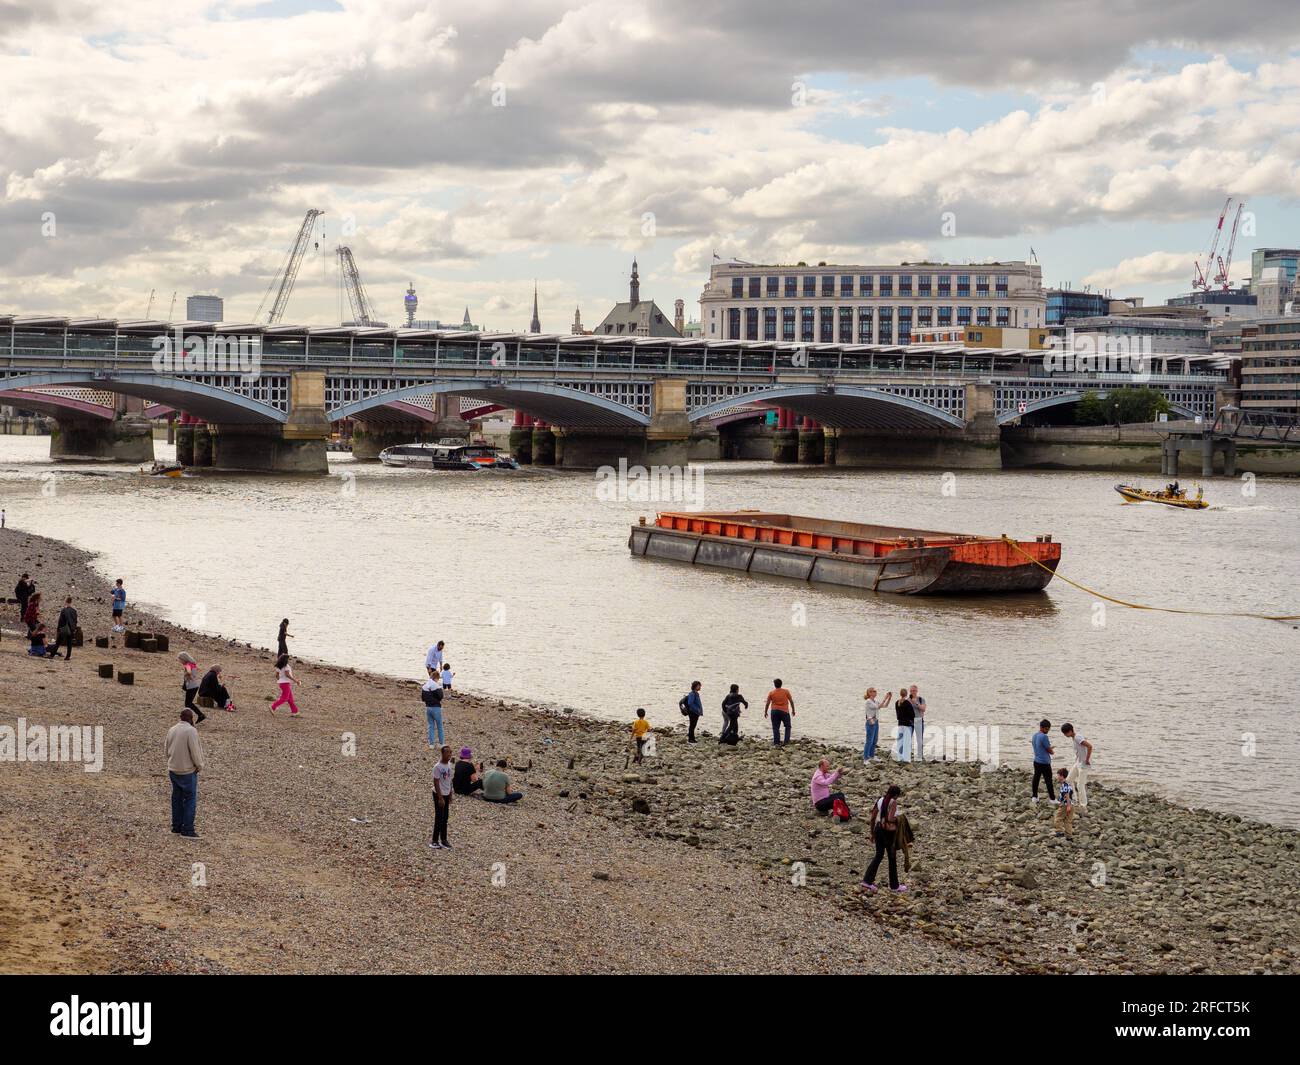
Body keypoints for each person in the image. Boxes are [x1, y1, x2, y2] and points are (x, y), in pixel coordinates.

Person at [165, 709, 203, 839]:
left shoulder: (172, 729)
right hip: (187, 770)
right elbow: (195, 751)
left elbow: (166, 749)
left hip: (173, 769)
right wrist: (199, 766)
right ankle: (187, 829)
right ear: (191, 718)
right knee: (190, 799)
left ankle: (176, 826)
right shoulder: (191, 731)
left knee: (177, 798)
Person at [861, 784, 906, 893]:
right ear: (896, 795)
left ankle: (867, 881)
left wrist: (872, 833)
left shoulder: (880, 800)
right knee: (892, 858)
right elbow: (890, 818)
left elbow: (872, 817)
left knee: (879, 855)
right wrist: (899, 819)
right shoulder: (893, 802)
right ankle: (894, 885)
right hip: (888, 833)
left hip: (878, 830)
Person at [1060, 723, 1093, 808]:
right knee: (1068, 780)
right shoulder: (1074, 738)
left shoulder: (1078, 737)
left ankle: (1083, 805)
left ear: (1070, 731)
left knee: (1080, 784)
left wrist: (1087, 759)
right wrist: (1077, 759)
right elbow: (1079, 750)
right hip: (1078, 762)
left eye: (1065, 733)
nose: (1065, 735)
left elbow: (1089, 746)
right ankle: (1074, 799)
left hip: (1084, 764)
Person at [431, 745, 454, 850]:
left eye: (450, 752)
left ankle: (444, 840)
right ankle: (434, 840)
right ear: (442, 753)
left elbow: (449, 780)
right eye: (447, 752)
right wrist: (440, 798)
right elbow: (436, 782)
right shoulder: (437, 767)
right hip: (438, 794)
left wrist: (450, 794)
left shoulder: (449, 765)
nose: (449, 754)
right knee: (439, 818)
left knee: (445, 818)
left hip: (446, 793)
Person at [863, 687, 891, 762]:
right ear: (869, 693)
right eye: (873, 691)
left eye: (875, 691)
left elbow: (884, 706)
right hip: (870, 722)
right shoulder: (868, 701)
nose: (875, 692)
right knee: (869, 740)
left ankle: (872, 755)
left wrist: (889, 698)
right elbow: (878, 707)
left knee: (875, 740)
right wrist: (885, 698)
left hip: (876, 722)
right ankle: (865, 758)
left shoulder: (875, 701)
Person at [1031, 719, 1055, 801]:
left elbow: (1038, 747)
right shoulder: (1044, 736)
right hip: (1044, 762)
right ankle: (1052, 799)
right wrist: (1052, 751)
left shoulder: (1034, 735)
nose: (1047, 731)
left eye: (1048, 729)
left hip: (1036, 761)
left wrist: (1048, 749)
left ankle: (1034, 796)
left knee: (1036, 778)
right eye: (1046, 729)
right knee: (1048, 780)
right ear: (1041, 727)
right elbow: (1049, 750)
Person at [765, 679, 794, 746]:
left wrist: (765, 712)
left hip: (774, 711)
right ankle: (786, 741)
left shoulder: (771, 693)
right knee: (788, 726)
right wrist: (793, 710)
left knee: (775, 727)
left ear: (774, 685)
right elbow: (791, 701)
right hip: (784, 711)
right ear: (781, 684)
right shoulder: (786, 691)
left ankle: (776, 742)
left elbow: (767, 703)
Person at [178, 652, 203, 722]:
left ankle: (192, 718)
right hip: (194, 686)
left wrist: (188, 674)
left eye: (180, 660)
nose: (180, 661)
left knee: (188, 704)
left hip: (191, 686)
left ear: (183, 659)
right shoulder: (193, 664)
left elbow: (189, 671)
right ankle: (200, 715)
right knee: (189, 703)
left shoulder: (187, 665)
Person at [893, 685, 915, 762]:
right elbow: (912, 714)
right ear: (906, 694)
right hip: (907, 724)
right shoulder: (907, 703)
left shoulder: (897, 702)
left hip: (900, 724)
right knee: (907, 742)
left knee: (900, 741)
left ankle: (900, 758)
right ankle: (906, 759)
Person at [421, 679, 445, 747]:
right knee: (439, 726)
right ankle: (441, 743)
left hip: (428, 707)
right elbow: (441, 697)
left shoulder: (425, 687)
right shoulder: (436, 686)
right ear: (436, 678)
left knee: (431, 726)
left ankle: (431, 744)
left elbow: (423, 699)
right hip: (436, 708)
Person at [1054, 769, 1075, 838]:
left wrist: (1068, 805)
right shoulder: (1068, 784)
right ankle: (1069, 835)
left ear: (1062, 776)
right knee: (1068, 821)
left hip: (1065, 804)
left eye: (1058, 775)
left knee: (1058, 818)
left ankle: (1059, 831)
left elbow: (1067, 795)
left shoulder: (1065, 785)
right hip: (1071, 804)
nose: (1057, 777)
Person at [55, 597, 77, 662]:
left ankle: (52, 654)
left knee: (58, 642)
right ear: (71, 602)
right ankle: (68, 656)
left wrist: (58, 629)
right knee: (69, 643)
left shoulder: (64, 610)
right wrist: (74, 628)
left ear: (66, 602)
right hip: (71, 628)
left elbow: (60, 621)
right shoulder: (74, 611)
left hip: (64, 628)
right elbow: (75, 621)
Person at [910, 684, 927, 761]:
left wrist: (916, 703)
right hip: (910, 721)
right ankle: (909, 754)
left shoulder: (921, 699)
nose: (912, 692)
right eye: (911, 691)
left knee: (919, 739)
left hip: (919, 720)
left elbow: (923, 709)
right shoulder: (907, 700)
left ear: (917, 691)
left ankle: (919, 756)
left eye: (914, 690)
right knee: (908, 738)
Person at [110, 579, 126, 648]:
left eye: (117, 583)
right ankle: (117, 626)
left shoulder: (122, 591)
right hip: (115, 605)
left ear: (119, 583)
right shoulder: (116, 590)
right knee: (114, 616)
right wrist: (113, 593)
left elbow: (122, 599)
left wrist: (115, 598)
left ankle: (121, 626)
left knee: (119, 616)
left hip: (119, 605)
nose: (116, 584)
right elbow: (111, 592)